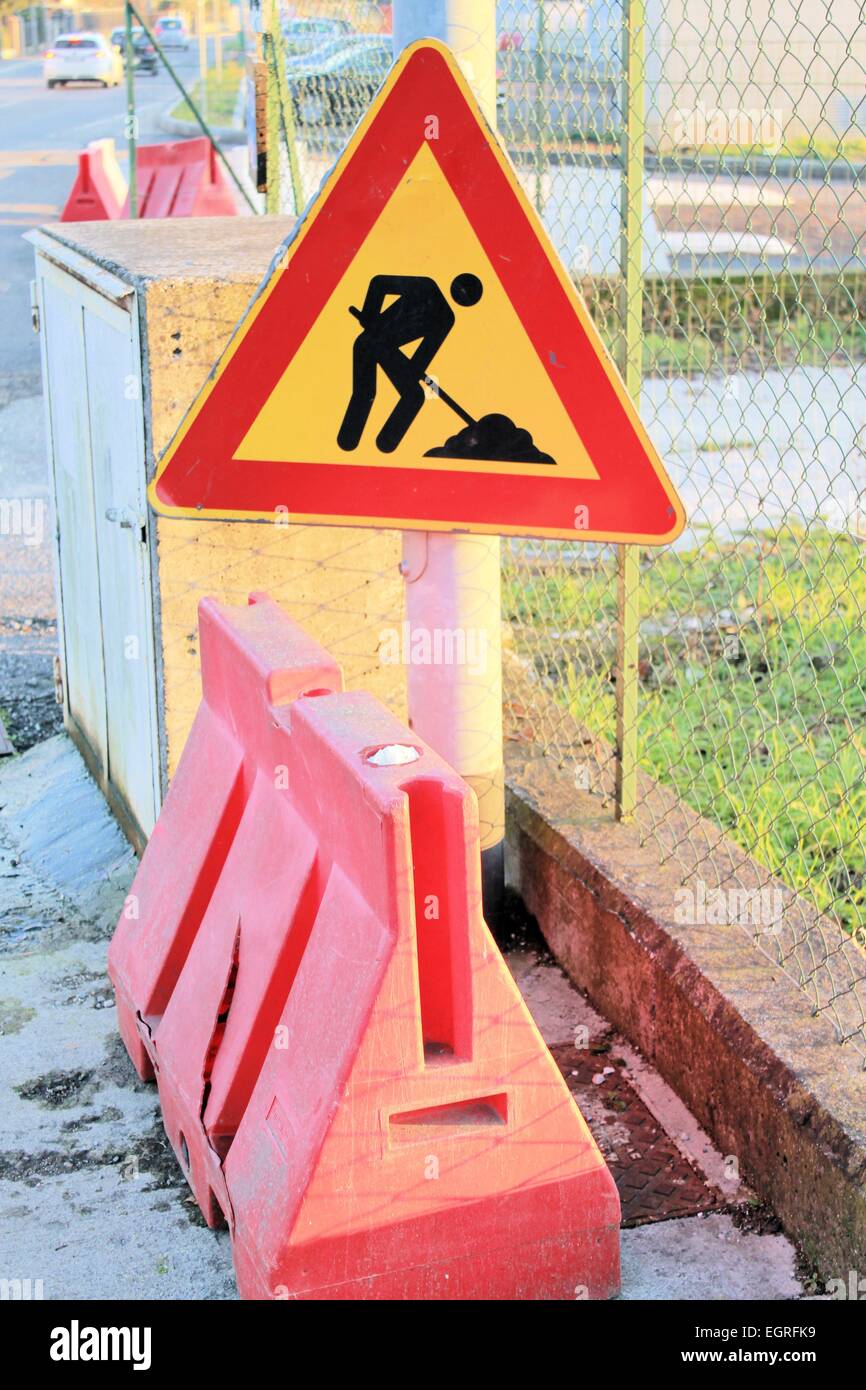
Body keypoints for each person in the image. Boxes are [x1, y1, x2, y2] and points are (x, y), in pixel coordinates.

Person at [337, 272, 483, 453]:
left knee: (413, 396)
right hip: (368, 342)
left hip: (386, 349)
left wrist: (413, 369)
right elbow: (379, 283)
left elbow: (424, 355)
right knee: (365, 392)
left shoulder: (445, 318)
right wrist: (370, 313)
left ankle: (385, 443)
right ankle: (348, 439)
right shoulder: (425, 287)